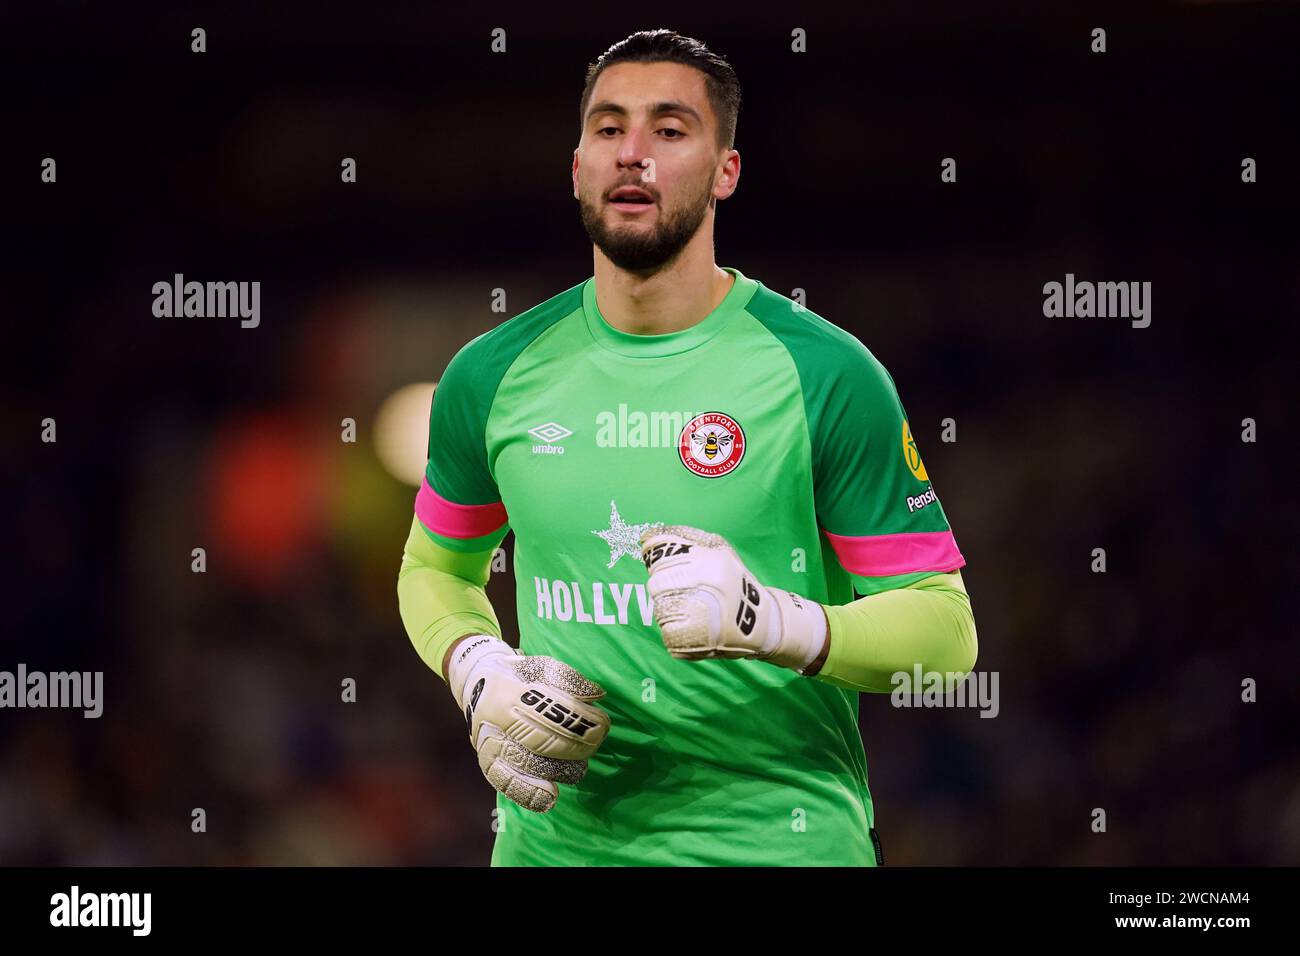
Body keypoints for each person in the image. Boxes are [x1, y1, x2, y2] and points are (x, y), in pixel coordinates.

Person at [397, 29, 976, 866]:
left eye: (669, 130)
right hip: (552, 851)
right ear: (578, 167)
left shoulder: (825, 373)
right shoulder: (489, 377)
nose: (632, 152)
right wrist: (474, 662)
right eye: (608, 128)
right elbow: (434, 569)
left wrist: (770, 621)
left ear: (725, 171)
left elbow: (946, 636)